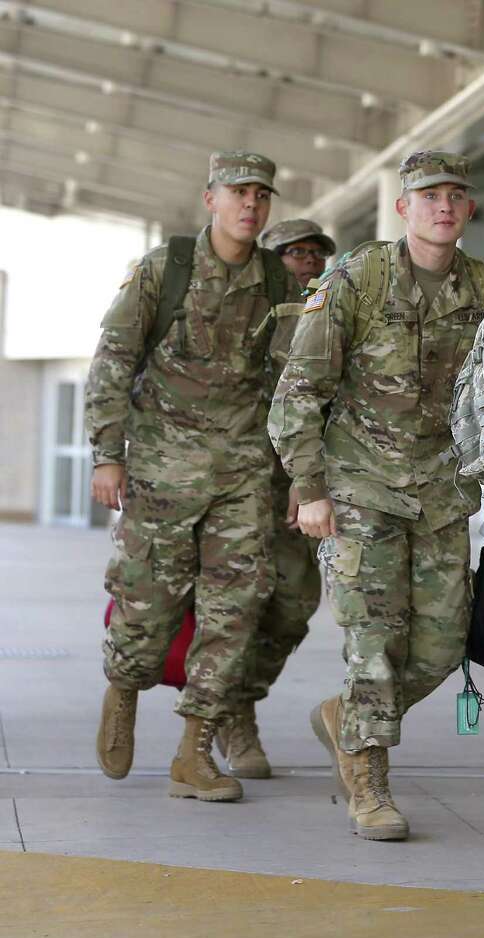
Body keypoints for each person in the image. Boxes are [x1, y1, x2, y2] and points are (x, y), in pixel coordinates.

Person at [269, 151, 484, 841]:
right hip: (358, 487)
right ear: (403, 208)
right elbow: (300, 388)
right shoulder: (358, 277)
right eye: (428, 195)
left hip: (440, 491)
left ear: (468, 210)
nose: (442, 206)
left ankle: (349, 719)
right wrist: (308, 487)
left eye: (456, 196)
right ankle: (369, 783)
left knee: (440, 644)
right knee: (374, 642)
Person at [88, 150, 298, 803]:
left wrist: (298, 475)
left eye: (262, 195)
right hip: (161, 469)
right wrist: (106, 451)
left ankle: (193, 751)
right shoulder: (165, 269)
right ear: (210, 198)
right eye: (239, 192)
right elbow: (114, 360)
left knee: (234, 612)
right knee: (147, 610)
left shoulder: (275, 280)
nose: (251, 205)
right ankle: (124, 687)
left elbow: (296, 377)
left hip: (242, 472)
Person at [213, 219, 338, 779]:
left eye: (315, 254)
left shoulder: (334, 316)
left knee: (292, 607)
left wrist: (308, 482)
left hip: (297, 488)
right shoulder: (240, 317)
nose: (306, 262)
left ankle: (241, 698)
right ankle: (223, 717)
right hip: (231, 486)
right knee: (233, 607)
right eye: (293, 253)